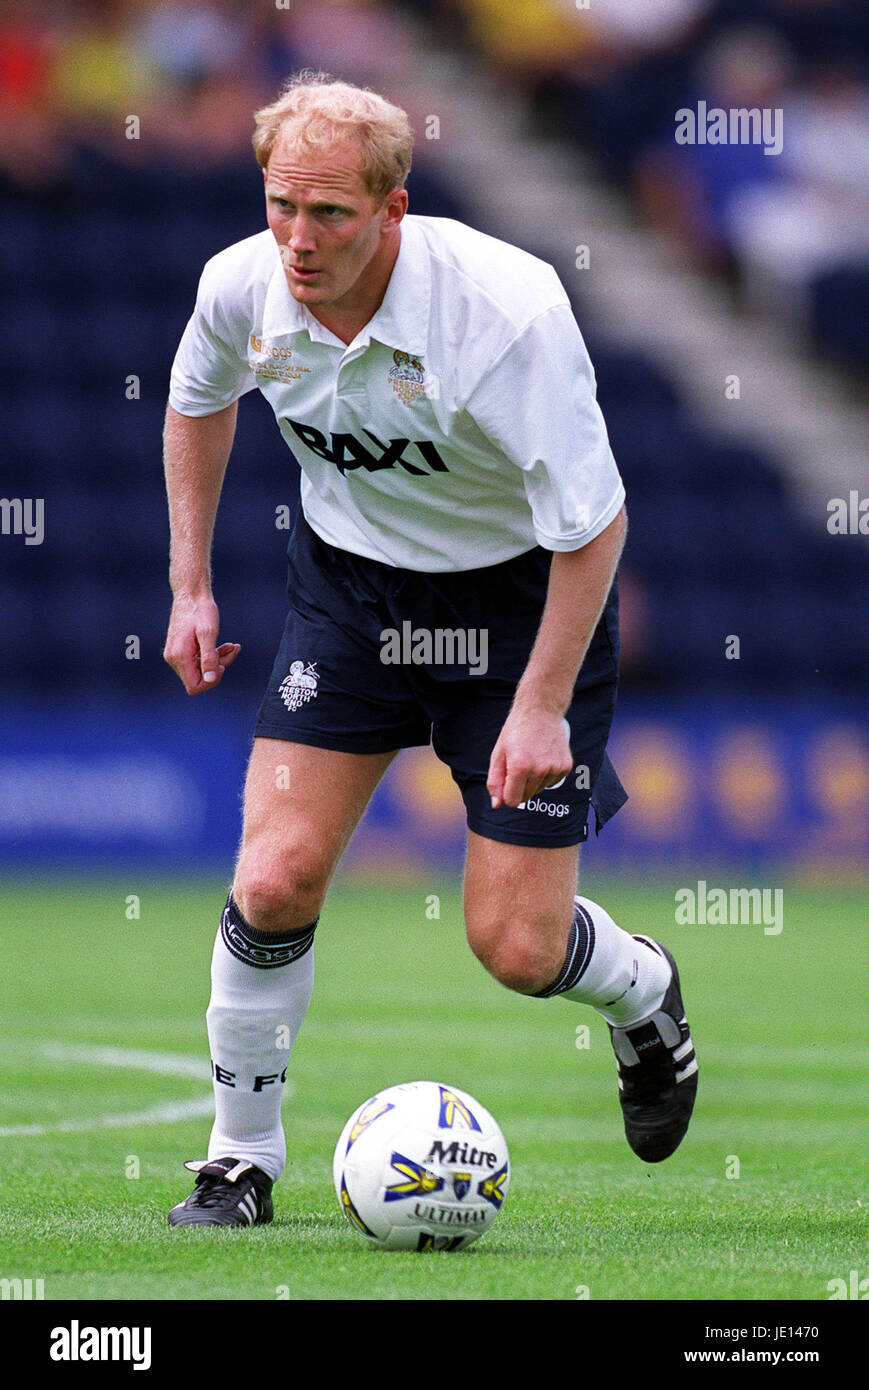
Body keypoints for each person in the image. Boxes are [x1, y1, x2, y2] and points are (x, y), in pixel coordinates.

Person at [163, 72, 697, 1228]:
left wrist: (542, 703)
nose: (297, 241)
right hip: (349, 595)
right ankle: (238, 1158)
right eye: (279, 206)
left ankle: (645, 993)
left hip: (515, 607)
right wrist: (191, 582)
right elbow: (196, 400)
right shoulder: (240, 285)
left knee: (514, 945)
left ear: (392, 209)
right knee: (270, 877)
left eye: (330, 215)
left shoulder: (503, 313)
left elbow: (594, 526)